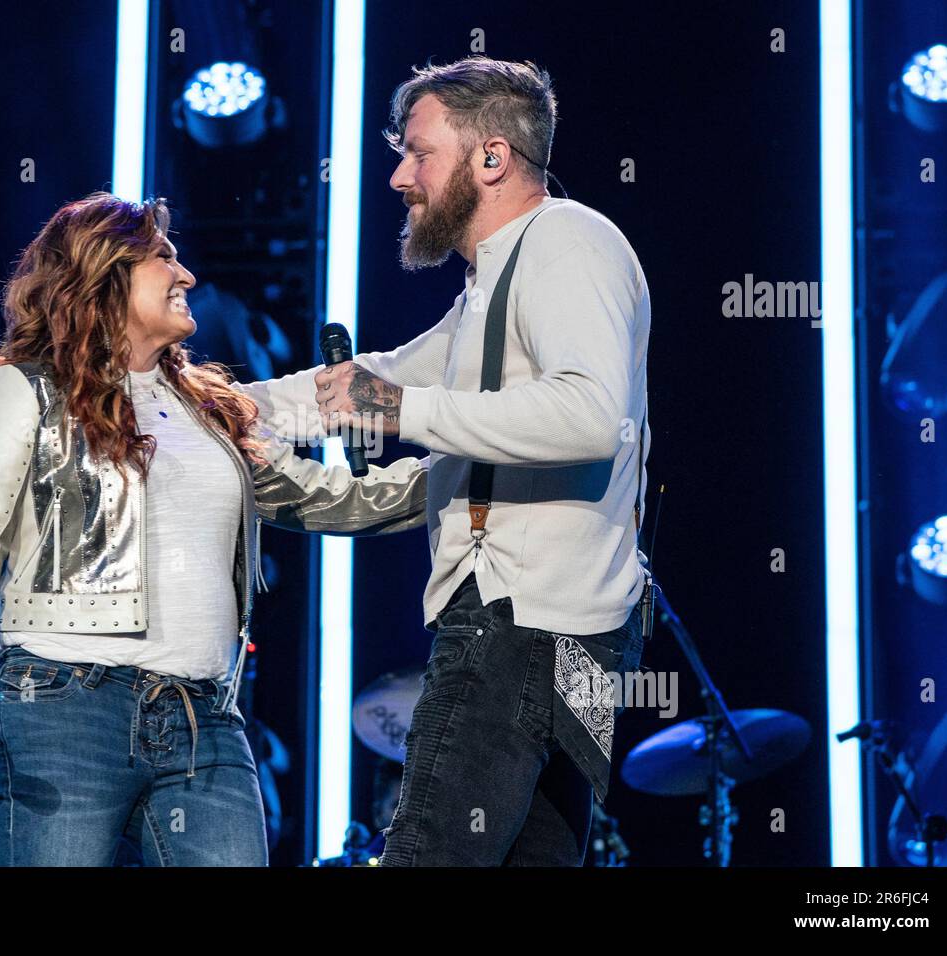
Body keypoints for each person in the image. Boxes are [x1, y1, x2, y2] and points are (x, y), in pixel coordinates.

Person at [0, 192, 427, 866]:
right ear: (104, 274)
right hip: (64, 706)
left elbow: (329, 499)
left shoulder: (210, 412)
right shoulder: (27, 392)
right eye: (165, 260)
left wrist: (469, 472)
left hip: (206, 717)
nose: (189, 278)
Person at [241, 56, 652, 866]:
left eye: (418, 152)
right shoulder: (493, 284)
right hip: (570, 640)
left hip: (519, 623)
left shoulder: (568, 241)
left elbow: (591, 416)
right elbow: (370, 381)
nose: (399, 176)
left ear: (491, 158)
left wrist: (401, 412)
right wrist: (215, 407)